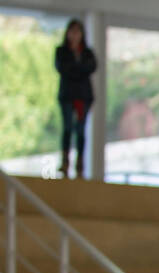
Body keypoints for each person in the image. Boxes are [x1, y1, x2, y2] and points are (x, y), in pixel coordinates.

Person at [54, 18, 96, 180]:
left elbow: (91, 67)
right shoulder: (62, 51)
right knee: (67, 128)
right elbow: (63, 68)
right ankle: (65, 162)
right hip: (67, 96)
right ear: (67, 33)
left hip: (83, 97)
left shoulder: (87, 53)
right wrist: (78, 69)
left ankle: (80, 164)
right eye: (72, 31)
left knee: (80, 130)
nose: (75, 35)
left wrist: (75, 68)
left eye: (77, 32)